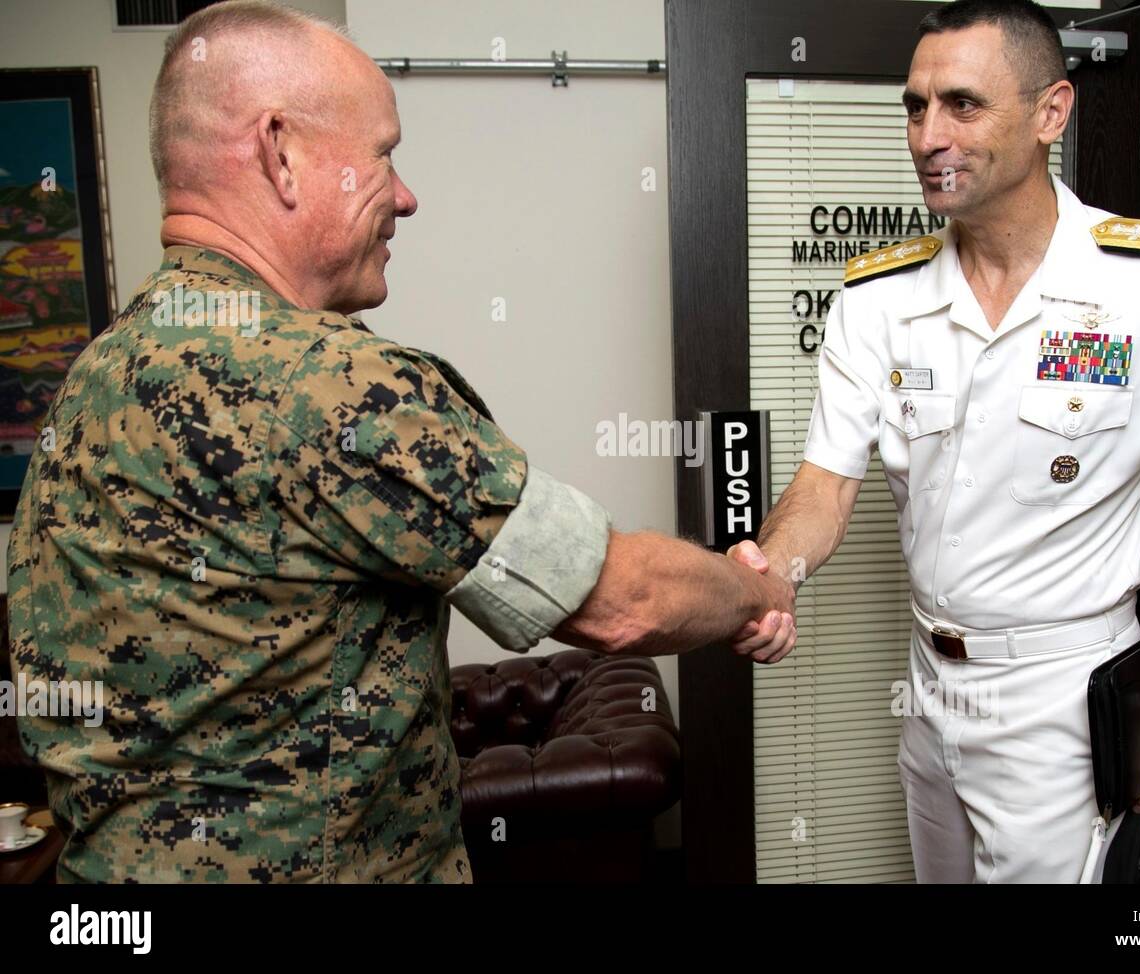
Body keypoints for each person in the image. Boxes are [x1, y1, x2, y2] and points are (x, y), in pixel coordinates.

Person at [6, 1, 795, 883]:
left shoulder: (95, 377)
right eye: (383, 154)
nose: (407, 195)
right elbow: (618, 600)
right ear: (281, 151)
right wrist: (754, 587)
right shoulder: (326, 383)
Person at [728, 0, 1140, 883]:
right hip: (929, 690)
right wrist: (771, 577)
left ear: (1050, 114)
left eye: (962, 104)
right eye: (915, 108)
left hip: (1065, 701)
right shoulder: (878, 299)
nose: (928, 135)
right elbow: (824, 487)